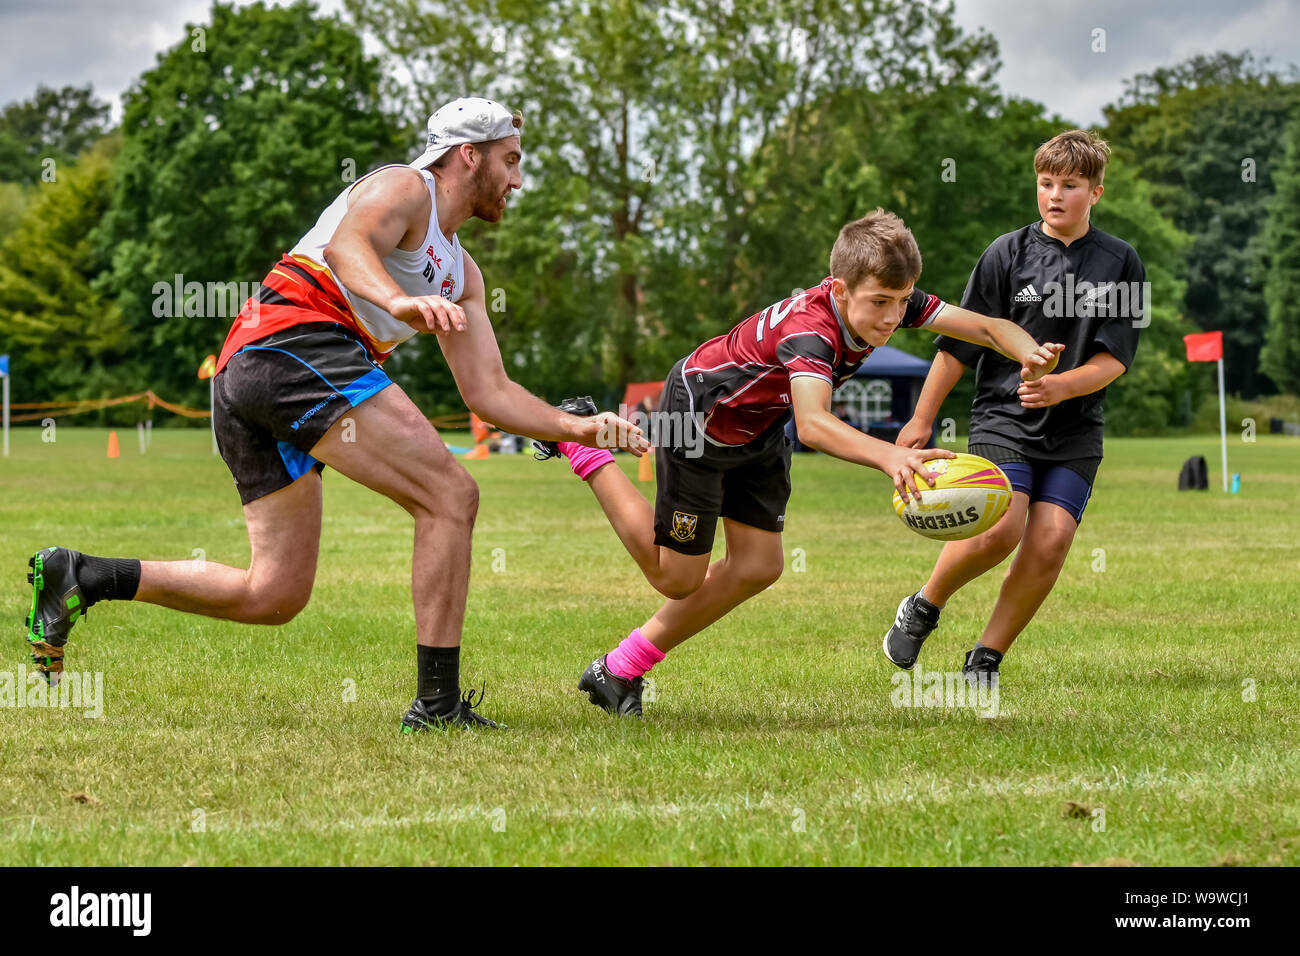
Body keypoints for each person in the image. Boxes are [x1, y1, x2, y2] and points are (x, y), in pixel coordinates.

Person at [24, 97, 646, 731]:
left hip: (259, 367)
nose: (517, 179)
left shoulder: (462, 273)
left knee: (274, 594)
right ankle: (436, 707)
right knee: (450, 495)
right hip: (291, 341)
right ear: (470, 155)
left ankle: (83, 575)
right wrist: (398, 302)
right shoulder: (407, 186)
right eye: (511, 161)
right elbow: (350, 247)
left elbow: (489, 393)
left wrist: (575, 428)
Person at [535, 209, 1063, 716]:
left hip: (761, 428)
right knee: (677, 578)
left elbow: (991, 328)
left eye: (902, 302)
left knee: (759, 565)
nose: (892, 317)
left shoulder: (888, 295)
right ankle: (585, 448)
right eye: (880, 302)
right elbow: (813, 424)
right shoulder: (811, 329)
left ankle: (619, 669)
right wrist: (891, 456)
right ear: (839, 290)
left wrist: (1030, 354)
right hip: (699, 420)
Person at [883, 130, 1145, 687]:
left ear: (1096, 192)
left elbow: (1115, 357)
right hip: (1004, 417)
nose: (1055, 195)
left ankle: (985, 659)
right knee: (1001, 527)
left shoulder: (1121, 261)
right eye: (1046, 183)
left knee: (1050, 541)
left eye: (1070, 186)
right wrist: (921, 418)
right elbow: (959, 344)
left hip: (1076, 427)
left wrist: (1061, 387)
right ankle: (924, 606)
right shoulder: (1007, 253)